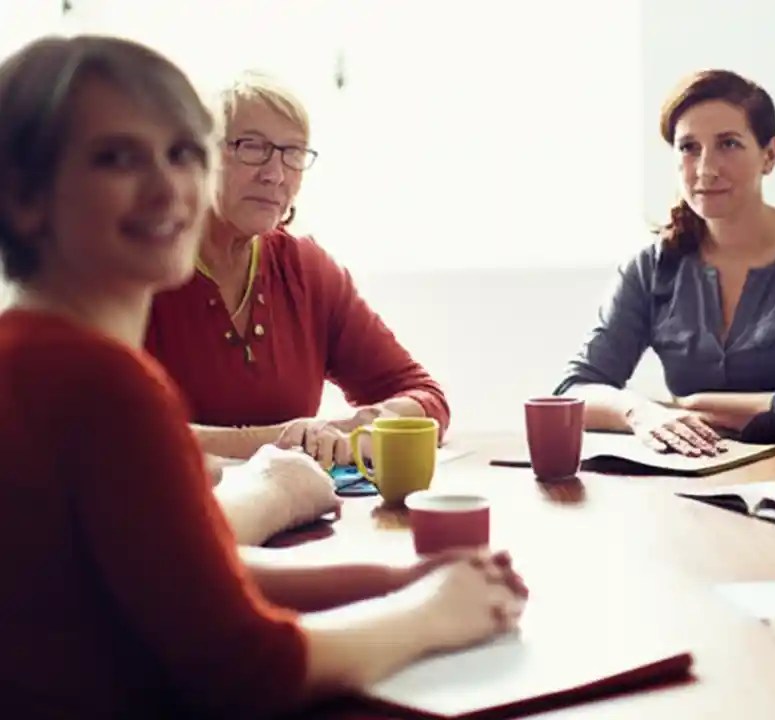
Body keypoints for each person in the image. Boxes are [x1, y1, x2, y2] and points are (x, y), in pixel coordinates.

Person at [0, 35, 525, 717]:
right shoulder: (101, 383)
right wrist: (431, 616)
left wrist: (397, 577)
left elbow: (183, 572)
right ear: (23, 196)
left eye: (182, 151)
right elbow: (252, 671)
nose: (167, 186)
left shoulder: (40, 356)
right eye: (116, 158)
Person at [556, 69, 775, 456]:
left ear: (770, 154)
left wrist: (688, 406)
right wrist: (640, 412)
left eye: (728, 144)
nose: (705, 168)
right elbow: (573, 390)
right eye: (689, 147)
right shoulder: (652, 267)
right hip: (692, 475)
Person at [145, 71, 448, 470]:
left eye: (293, 153)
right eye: (252, 147)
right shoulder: (141, 270)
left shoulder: (306, 269)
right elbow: (122, 434)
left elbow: (424, 396)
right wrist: (285, 439)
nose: (275, 174)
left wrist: (362, 425)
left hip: (292, 517)